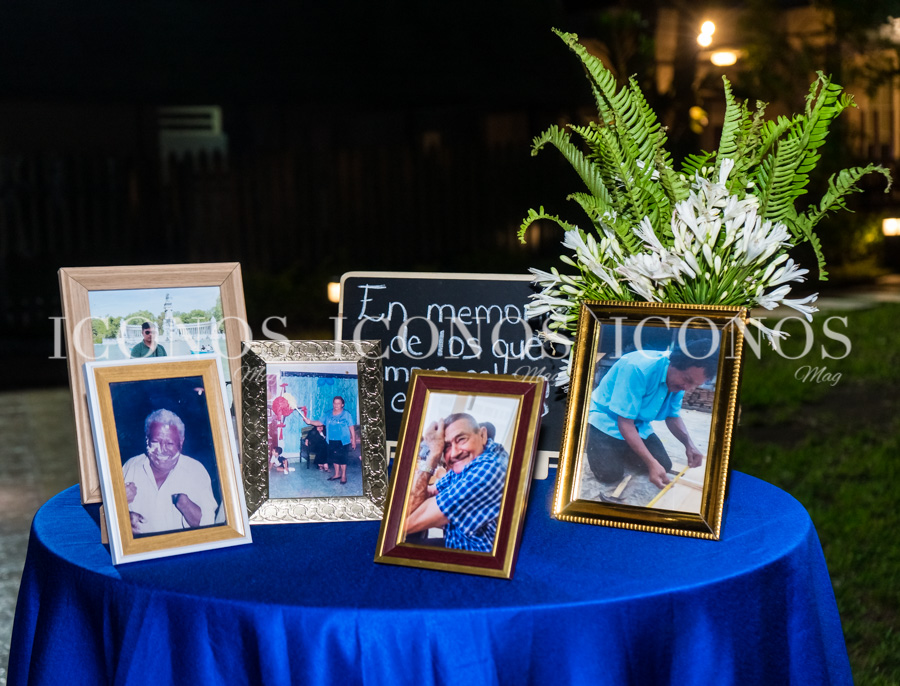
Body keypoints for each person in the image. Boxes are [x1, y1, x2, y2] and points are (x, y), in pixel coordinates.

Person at [586, 340, 717, 490]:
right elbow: (625, 423)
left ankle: (624, 448)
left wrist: (689, 445)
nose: (687, 388)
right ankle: (594, 439)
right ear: (674, 363)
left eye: (695, 385)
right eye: (687, 380)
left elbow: (672, 416)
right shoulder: (637, 368)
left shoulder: (681, 380)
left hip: (637, 424)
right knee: (609, 474)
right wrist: (650, 462)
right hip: (605, 420)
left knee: (664, 465)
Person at [404, 412, 508, 552]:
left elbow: (406, 524)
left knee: (400, 542)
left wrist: (433, 455)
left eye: (461, 439)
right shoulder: (468, 462)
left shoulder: (490, 469)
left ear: (483, 435)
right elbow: (430, 491)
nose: (454, 453)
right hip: (458, 538)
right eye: (446, 446)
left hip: (472, 555)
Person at [122, 408, 218, 535]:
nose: (161, 450)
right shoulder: (131, 466)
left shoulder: (195, 471)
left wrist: (186, 505)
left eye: (170, 443)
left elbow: (209, 527)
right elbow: (110, 516)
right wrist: (123, 513)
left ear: (181, 442)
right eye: (155, 442)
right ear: (147, 440)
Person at [301, 396, 357, 484]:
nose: (336, 405)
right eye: (335, 403)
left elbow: (351, 427)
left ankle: (343, 476)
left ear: (342, 404)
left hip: (343, 440)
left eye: (338, 403)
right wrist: (310, 422)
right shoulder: (328, 414)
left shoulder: (346, 414)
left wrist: (353, 439)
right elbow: (320, 422)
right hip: (331, 439)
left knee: (342, 459)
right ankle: (337, 474)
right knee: (334, 458)